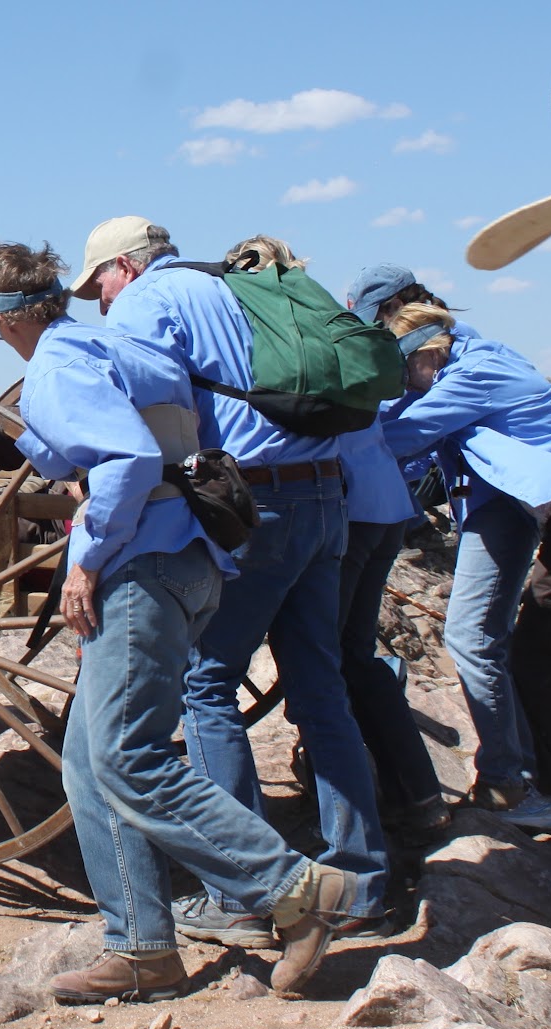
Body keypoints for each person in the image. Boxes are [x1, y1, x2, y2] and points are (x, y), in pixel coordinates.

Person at [0, 241, 356, 1001]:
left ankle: (294, 889)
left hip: (138, 565)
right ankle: (142, 947)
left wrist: (85, 562)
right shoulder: (119, 348)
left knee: (126, 756)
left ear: (7, 318)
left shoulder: (56, 363)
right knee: (89, 764)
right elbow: (137, 444)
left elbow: (126, 461)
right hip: (190, 556)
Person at [73, 217, 388, 946]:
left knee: (205, 685)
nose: (101, 302)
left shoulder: (150, 300)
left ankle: (241, 898)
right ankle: (362, 883)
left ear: (126, 267)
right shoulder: (244, 286)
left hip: (255, 506)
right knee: (321, 687)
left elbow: (142, 415)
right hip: (325, 496)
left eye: (100, 285)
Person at [233, 241, 450, 847]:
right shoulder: (336, 330)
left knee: (326, 662)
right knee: (350, 656)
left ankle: (372, 807)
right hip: (380, 506)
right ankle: (412, 798)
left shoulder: (289, 334)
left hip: (347, 508)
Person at [382, 303, 551, 828]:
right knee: (508, 647)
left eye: (403, 367)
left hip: (518, 508)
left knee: (482, 641)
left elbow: (406, 435)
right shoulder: (462, 366)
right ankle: (522, 777)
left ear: (430, 353)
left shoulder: (475, 374)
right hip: (510, 507)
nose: (403, 381)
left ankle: (512, 784)